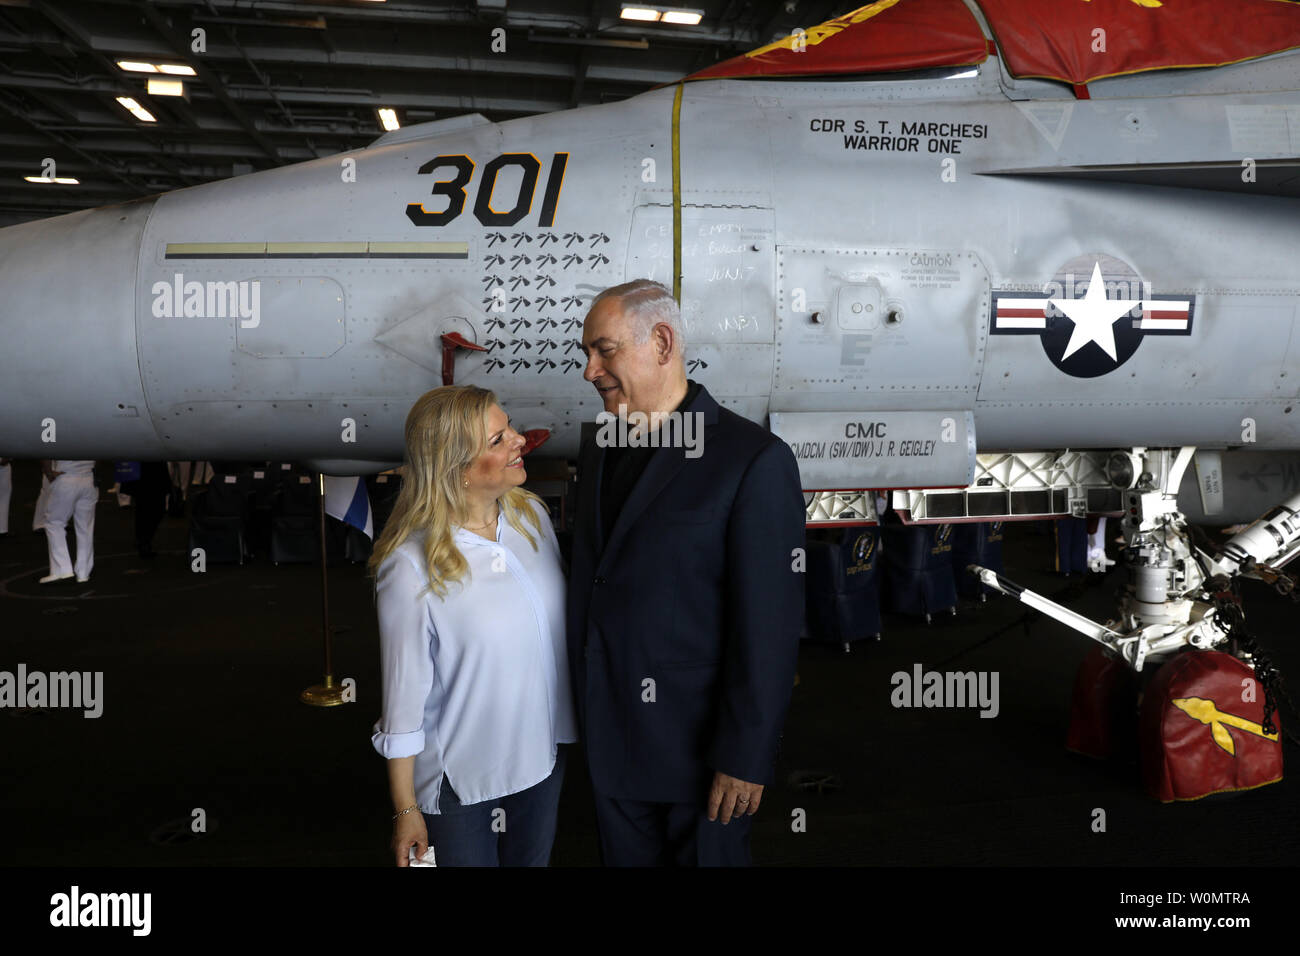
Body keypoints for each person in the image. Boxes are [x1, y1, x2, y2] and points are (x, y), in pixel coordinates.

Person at [569, 279, 806, 866]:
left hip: (700, 763)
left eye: (604, 350)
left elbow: (768, 630)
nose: (589, 370)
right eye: (586, 354)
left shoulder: (753, 460)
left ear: (662, 342)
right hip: (611, 749)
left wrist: (745, 757)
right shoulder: (600, 444)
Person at [370, 385, 576, 866]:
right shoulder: (410, 566)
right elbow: (402, 706)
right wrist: (406, 810)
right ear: (456, 468)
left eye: (511, 428)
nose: (520, 440)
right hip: (464, 781)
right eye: (498, 439)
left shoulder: (532, 519)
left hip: (543, 759)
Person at [40, 459, 97, 584]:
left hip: (66, 476)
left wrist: (49, 474)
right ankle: (84, 572)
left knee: (54, 523)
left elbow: (45, 453)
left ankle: (62, 569)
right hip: (88, 477)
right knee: (86, 527)